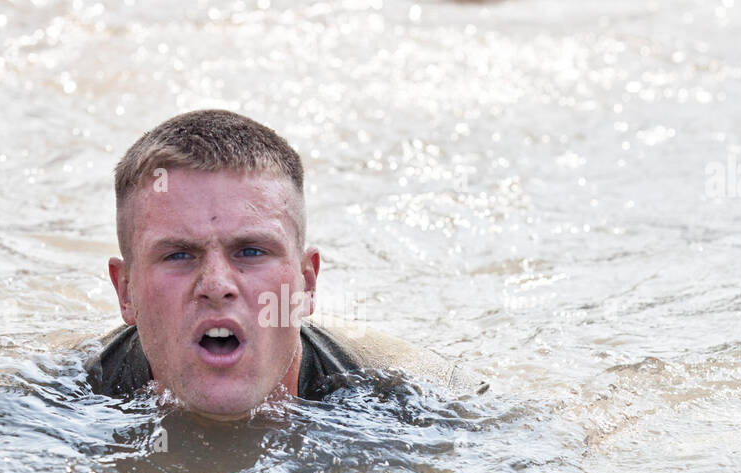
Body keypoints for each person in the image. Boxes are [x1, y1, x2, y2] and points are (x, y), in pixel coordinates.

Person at [85, 109, 482, 421]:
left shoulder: (429, 402)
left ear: (307, 285)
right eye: (178, 255)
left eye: (251, 252)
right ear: (126, 292)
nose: (217, 284)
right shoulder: (59, 395)